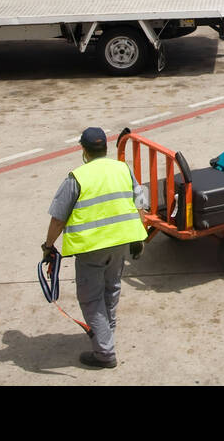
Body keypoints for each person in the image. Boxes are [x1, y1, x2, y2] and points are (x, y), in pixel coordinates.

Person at [42, 127, 146, 369]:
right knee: (111, 290)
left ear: (84, 150)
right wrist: (139, 238)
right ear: (106, 149)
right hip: (121, 243)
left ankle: (105, 353)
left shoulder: (76, 177)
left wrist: (48, 246)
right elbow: (140, 203)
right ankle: (106, 336)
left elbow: (58, 219)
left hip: (92, 249)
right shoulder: (123, 169)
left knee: (90, 299)